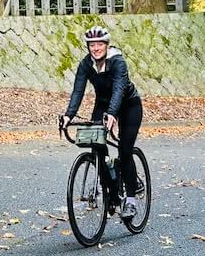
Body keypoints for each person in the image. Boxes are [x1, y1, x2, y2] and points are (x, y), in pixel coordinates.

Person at [59, 25, 144, 218]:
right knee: (96, 144)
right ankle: (112, 188)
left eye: (99, 44)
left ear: (107, 45)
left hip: (128, 105)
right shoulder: (86, 65)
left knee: (124, 150)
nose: (96, 48)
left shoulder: (117, 62)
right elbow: (78, 91)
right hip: (103, 104)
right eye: (92, 45)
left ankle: (130, 200)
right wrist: (68, 116)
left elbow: (119, 89)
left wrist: (113, 114)